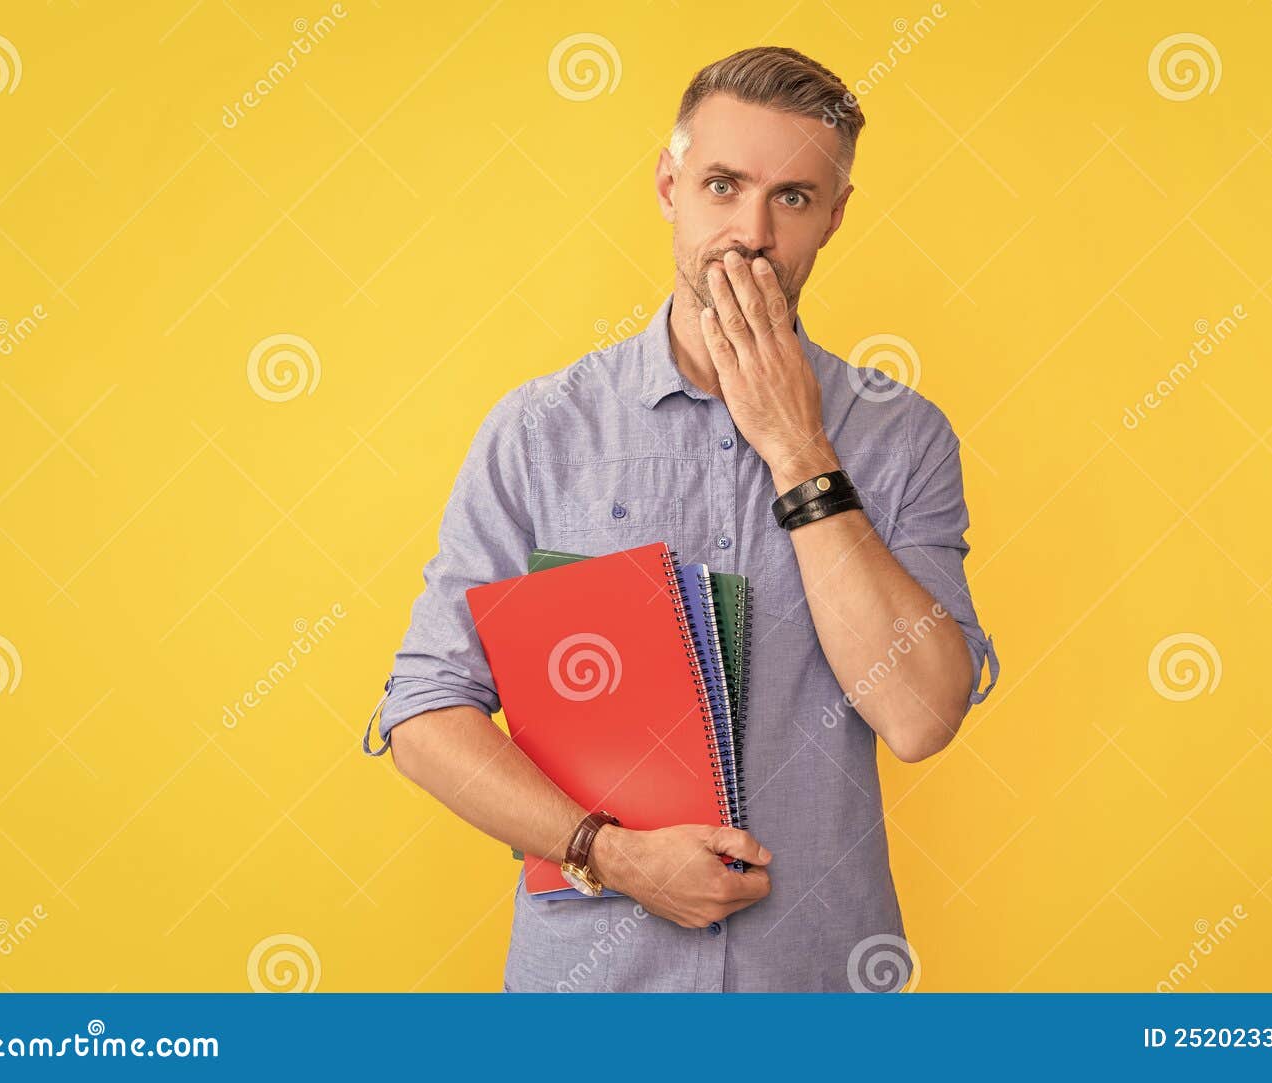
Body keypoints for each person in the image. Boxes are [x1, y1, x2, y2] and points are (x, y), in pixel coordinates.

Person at [375, 45, 998, 992]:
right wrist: (608, 853)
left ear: (834, 216)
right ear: (669, 185)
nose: (749, 233)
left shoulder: (903, 438)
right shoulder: (541, 432)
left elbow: (917, 715)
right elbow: (423, 713)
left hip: (818, 984)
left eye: (791, 197)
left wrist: (801, 453)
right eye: (722, 184)